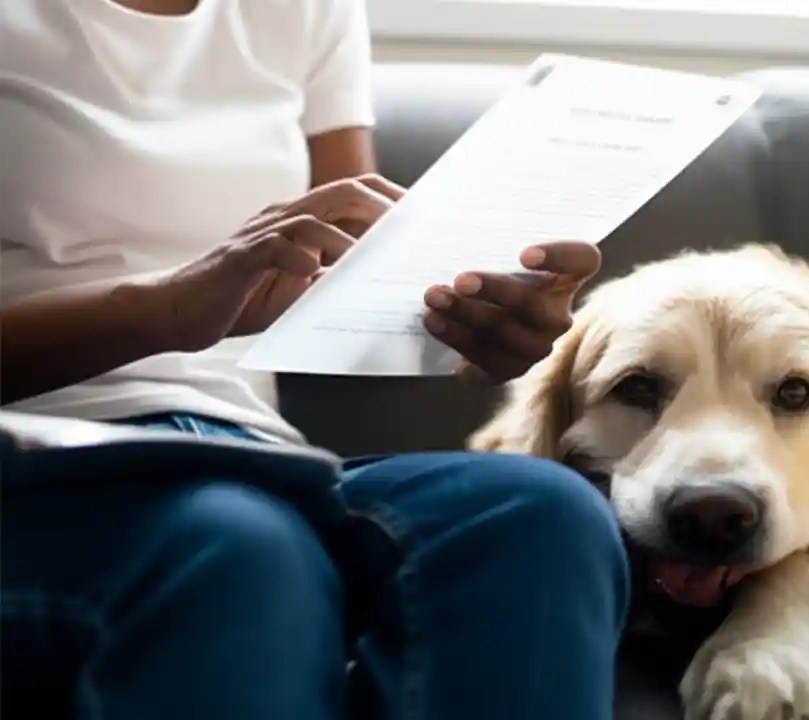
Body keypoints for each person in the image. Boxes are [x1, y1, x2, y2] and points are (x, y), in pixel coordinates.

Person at [0, 1, 628, 719]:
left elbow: (350, 273)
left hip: (252, 455)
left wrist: (475, 327)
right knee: (238, 549)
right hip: (38, 457)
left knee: (540, 514)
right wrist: (162, 310)